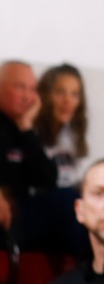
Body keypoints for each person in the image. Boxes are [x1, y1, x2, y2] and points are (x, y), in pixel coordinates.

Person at [24, 64, 90, 261]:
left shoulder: (73, 137)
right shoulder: (28, 129)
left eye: (74, 94)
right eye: (60, 92)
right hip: (32, 213)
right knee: (67, 198)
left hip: (65, 219)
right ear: (44, 95)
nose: (67, 101)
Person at [0, 59, 55, 243]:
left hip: (20, 214)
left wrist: (26, 128)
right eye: (20, 87)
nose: (28, 97)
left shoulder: (24, 129)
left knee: (67, 201)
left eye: (33, 90)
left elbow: (47, 179)